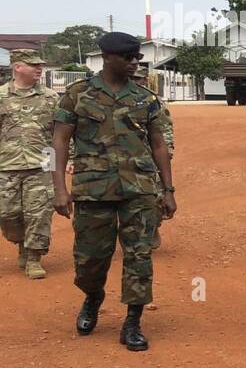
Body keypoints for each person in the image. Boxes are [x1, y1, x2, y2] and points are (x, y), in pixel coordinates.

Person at [51, 32, 176, 351]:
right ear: (108, 58)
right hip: (92, 190)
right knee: (89, 260)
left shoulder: (146, 98)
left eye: (138, 57)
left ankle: (133, 321)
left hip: (139, 190)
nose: (136, 62)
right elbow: (60, 142)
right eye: (129, 57)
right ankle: (93, 297)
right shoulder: (77, 95)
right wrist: (59, 189)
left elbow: (159, 144)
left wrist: (168, 189)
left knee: (139, 256)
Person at [0, 49, 59, 279]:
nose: (39, 68)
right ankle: (21, 243)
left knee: (39, 213)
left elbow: (61, 133)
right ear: (17, 67)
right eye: (33, 65)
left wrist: (66, 160)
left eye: (40, 65)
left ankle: (33, 257)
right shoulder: (1, 96)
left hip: (42, 164)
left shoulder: (50, 97)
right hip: (6, 164)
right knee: (7, 214)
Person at [131, 68, 174, 251]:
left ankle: (153, 226)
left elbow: (165, 130)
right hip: (123, 161)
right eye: (132, 78)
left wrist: (167, 153)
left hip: (148, 160)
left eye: (138, 79)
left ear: (145, 81)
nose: (135, 82)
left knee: (155, 200)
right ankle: (135, 234)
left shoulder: (151, 100)